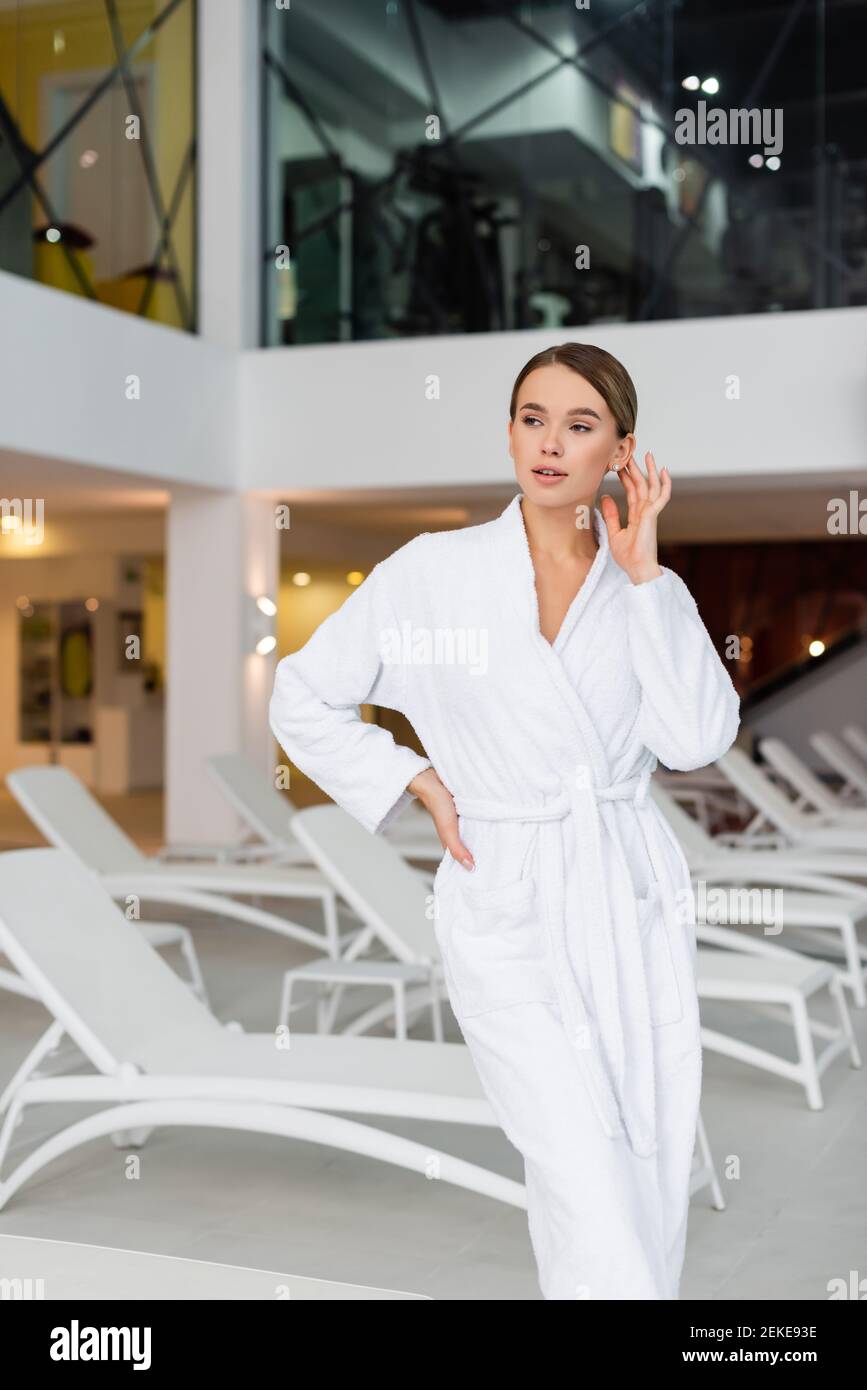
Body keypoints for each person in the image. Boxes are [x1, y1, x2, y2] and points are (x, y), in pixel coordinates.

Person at [268, 341, 740, 1300]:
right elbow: (301, 697)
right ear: (511, 431)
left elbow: (694, 740)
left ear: (622, 450)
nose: (550, 444)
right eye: (532, 418)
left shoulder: (646, 589)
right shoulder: (433, 574)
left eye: (579, 425)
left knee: (645, 1150)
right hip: (504, 887)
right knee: (576, 1166)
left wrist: (645, 576)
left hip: (624, 892)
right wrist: (414, 778)